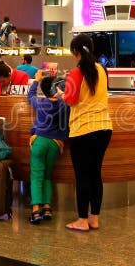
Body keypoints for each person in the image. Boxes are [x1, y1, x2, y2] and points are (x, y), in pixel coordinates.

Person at [62, 34, 112, 232]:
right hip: (104, 127)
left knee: (82, 175)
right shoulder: (102, 69)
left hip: (83, 129)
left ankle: (82, 220)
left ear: (75, 52)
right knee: (95, 174)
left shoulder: (75, 73)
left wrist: (62, 94)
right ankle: (94, 218)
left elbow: (71, 100)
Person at [27, 71, 69, 225]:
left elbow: (30, 96)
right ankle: (47, 207)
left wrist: (36, 81)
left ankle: (36, 210)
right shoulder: (64, 105)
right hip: (55, 145)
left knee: (36, 175)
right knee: (47, 175)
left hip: (39, 141)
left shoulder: (40, 103)